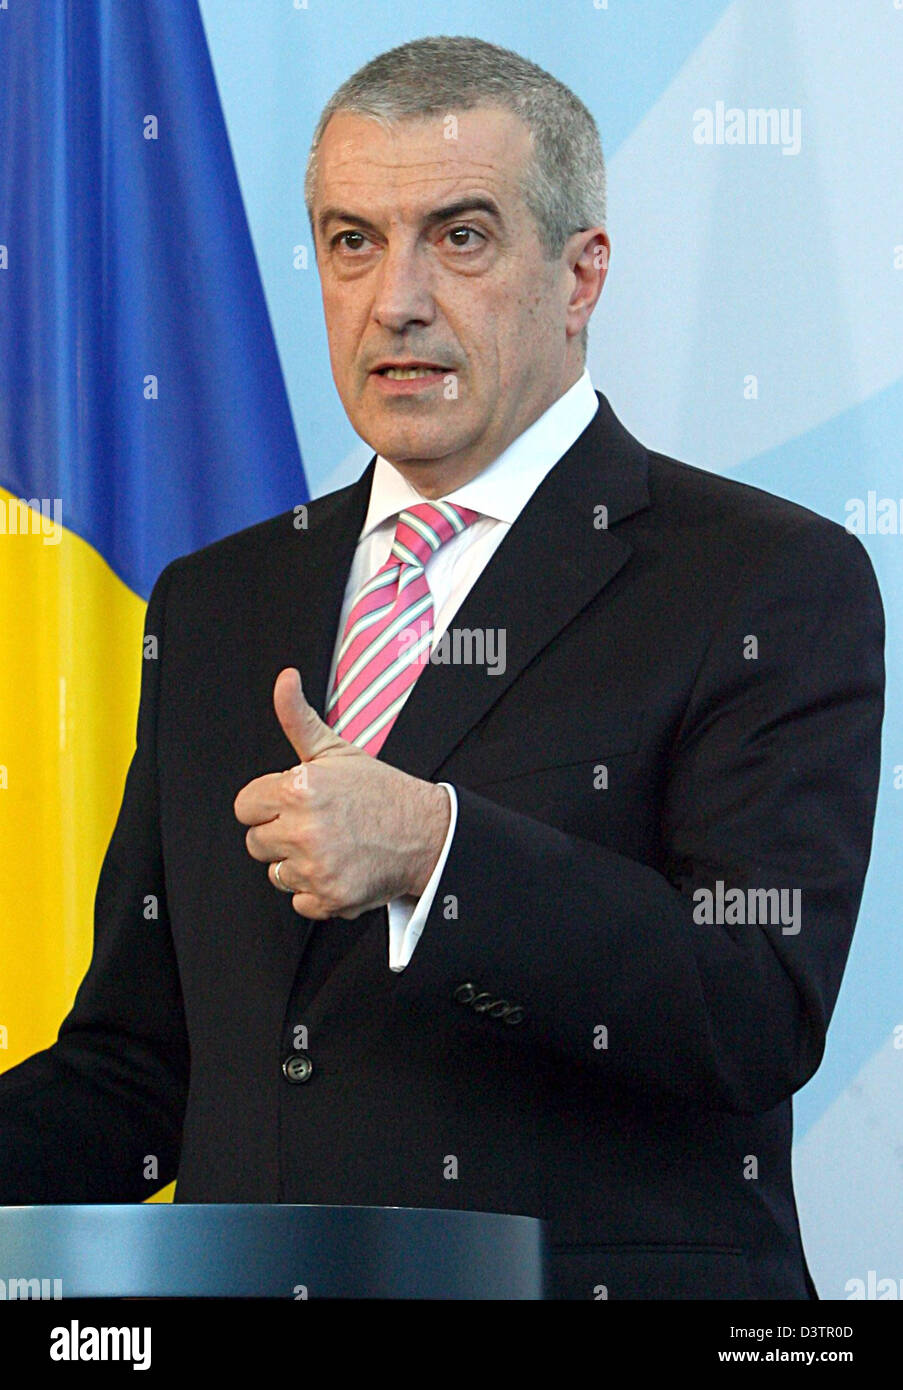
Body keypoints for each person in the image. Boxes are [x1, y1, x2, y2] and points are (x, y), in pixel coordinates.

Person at [0, 36, 884, 1300]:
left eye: (459, 237)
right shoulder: (215, 601)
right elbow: (145, 1065)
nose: (394, 299)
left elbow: (754, 1007)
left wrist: (438, 853)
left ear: (581, 274)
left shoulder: (762, 579)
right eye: (352, 241)